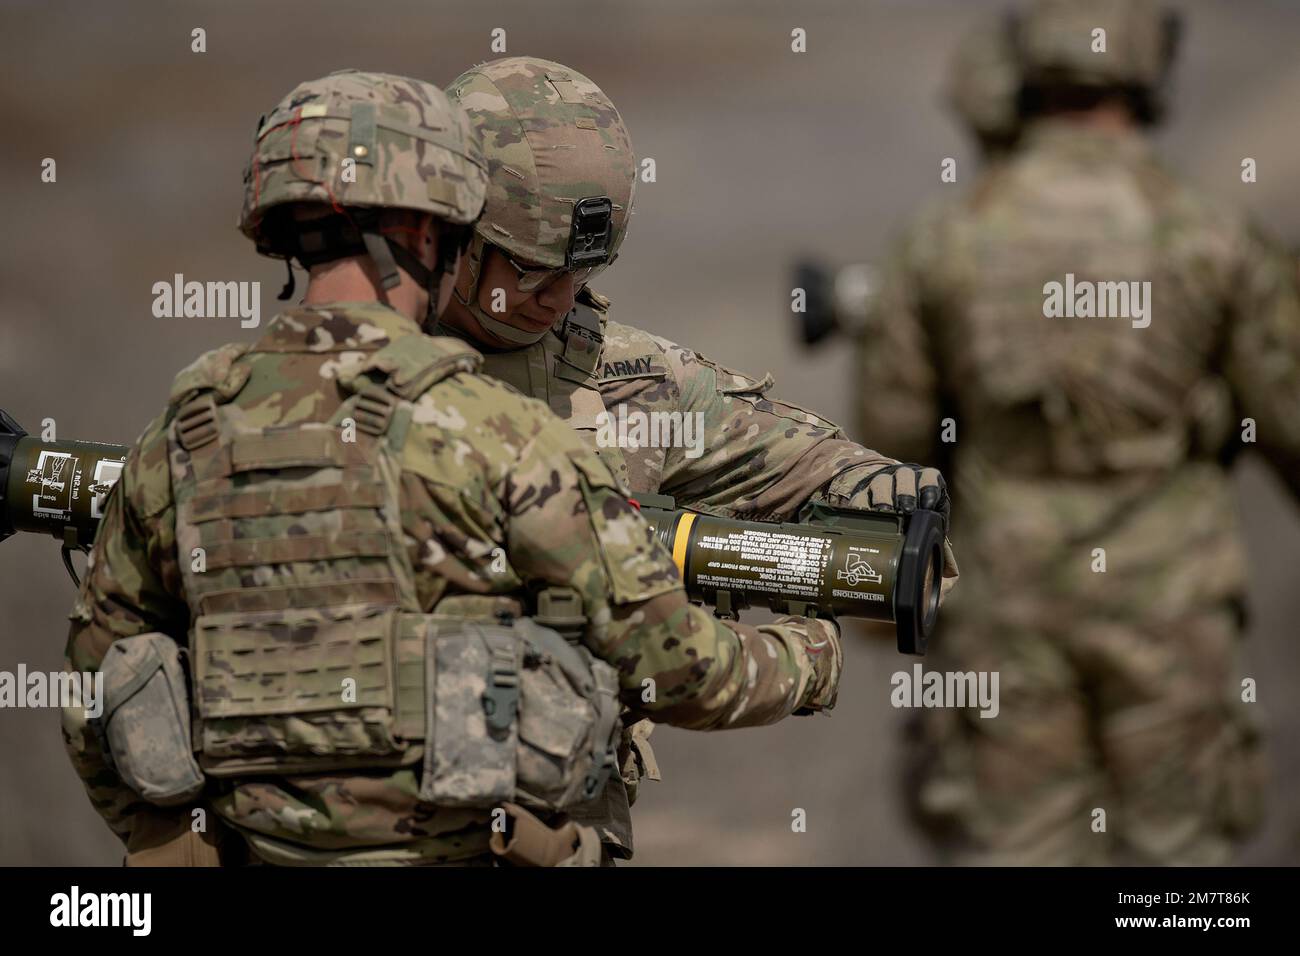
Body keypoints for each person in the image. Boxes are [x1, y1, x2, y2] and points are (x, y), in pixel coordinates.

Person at [60, 70, 844, 868]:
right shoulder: (496, 433)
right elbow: (682, 671)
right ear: (429, 235)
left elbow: (96, 691)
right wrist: (811, 656)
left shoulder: (190, 426)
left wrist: (175, 846)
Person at [435, 55, 961, 860]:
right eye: (531, 269)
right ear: (448, 230)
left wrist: (884, 497)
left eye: (582, 272)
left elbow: (792, 459)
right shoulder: (351, 373)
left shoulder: (626, 377)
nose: (558, 298)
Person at [858, 0, 1300, 864]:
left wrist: (886, 608)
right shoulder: (1213, 237)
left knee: (1015, 846)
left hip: (1002, 607)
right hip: (1173, 610)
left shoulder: (945, 240)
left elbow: (894, 450)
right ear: (1147, 66)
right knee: (1180, 874)